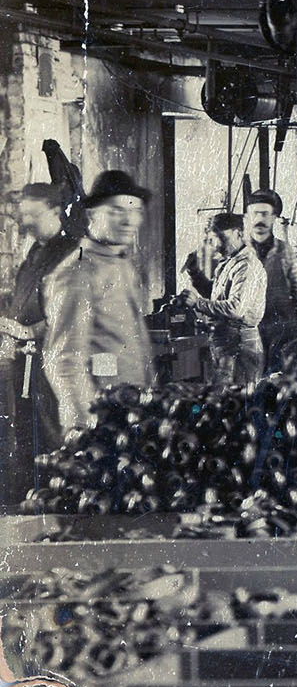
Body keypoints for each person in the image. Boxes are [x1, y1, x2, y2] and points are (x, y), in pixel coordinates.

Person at [41, 171, 155, 434]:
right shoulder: (77, 273)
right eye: (116, 211)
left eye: (135, 211)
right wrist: (88, 428)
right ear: (92, 215)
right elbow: (64, 360)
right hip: (101, 422)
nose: (128, 220)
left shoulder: (122, 266)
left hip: (132, 414)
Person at [1, 184, 78, 501]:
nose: (26, 222)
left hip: (52, 360)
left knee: (51, 430)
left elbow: (72, 311)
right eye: (24, 216)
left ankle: (60, 497)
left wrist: (30, 332)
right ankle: (33, 495)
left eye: (33, 215)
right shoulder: (34, 253)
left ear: (56, 211)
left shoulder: (70, 253)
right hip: (26, 360)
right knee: (26, 428)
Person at [178, 212, 267, 385]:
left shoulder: (246, 265)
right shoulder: (229, 262)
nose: (217, 245)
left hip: (240, 344)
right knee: (222, 396)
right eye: (214, 239)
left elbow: (235, 308)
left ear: (238, 233)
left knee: (238, 397)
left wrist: (197, 303)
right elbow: (217, 296)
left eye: (222, 238)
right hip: (226, 341)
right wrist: (195, 273)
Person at [243, 188, 297, 373]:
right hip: (248, 332)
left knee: (278, 379)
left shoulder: (285, 252)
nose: (259, 219)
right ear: (248, 217)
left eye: (265, 214)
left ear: (273, 218)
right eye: (255, 213)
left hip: (282, 330)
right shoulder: (240, 252)